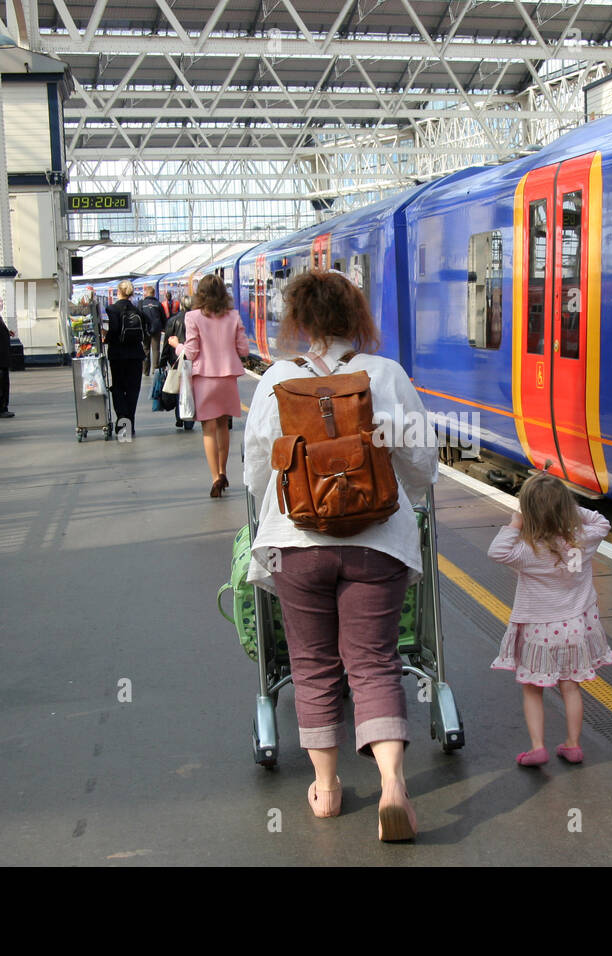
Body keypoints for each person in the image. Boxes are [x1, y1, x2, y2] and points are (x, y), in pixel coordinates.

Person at [243, 269, 437, 841]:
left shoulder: (276, 379)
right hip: (378, 542)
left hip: (297, 546)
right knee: (373, 660)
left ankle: (326, 790)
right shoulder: (386, 375)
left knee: (313, 663)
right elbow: (422, 466)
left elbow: (258, 473)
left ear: (299, 321)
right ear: (357, 319)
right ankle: (393, 786)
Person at [489, 472, 612, 767]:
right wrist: (570, 511)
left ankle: (537, 747)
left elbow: (497, 551)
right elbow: (602, 522)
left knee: (533, 689)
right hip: (576, 628)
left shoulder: (526, 551)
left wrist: (516, 522)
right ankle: (573, 744)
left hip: (538, 631)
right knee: (570, 686)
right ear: (566, 508)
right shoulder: (583, 540)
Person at [176, 276, 249, 494]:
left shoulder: (193, 317)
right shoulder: (233, 316)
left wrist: (176, 347)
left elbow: (191, 352)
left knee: (208, 429)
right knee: (223, 426)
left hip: (204, 379)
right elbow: (244, 350)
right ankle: (224, 470)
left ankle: (215, 477)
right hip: (227, 378)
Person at [104, 279, 147, 435]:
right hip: (136, 355)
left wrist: (106, 338)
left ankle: (122, 418)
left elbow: (114, 330)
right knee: (133, 390)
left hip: (118, 355)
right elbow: (145, 330)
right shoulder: (138, 311)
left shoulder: (112, 309)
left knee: (118, 387)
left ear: (118, 292)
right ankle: (130, 424)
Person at [162, 294, 196, 431]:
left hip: (175, 358)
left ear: (181, 305)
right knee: (189, 388)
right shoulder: (197, 321)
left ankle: (179, 417)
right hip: (192, 358)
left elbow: (166, 342)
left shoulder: (172, 320)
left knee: (178, 387)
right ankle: (188, 419)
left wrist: (162, 361)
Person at [138, 284, 166, 376]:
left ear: (146, 293)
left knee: (146, 349)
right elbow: (163, 317)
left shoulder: (142, 304)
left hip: (145, 330)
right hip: (156, 329)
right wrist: (164, 327)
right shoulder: (158, 304)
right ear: (154, 294)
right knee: (156, 350)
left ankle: (145, 371)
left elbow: (139, 317)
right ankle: (155, 369)